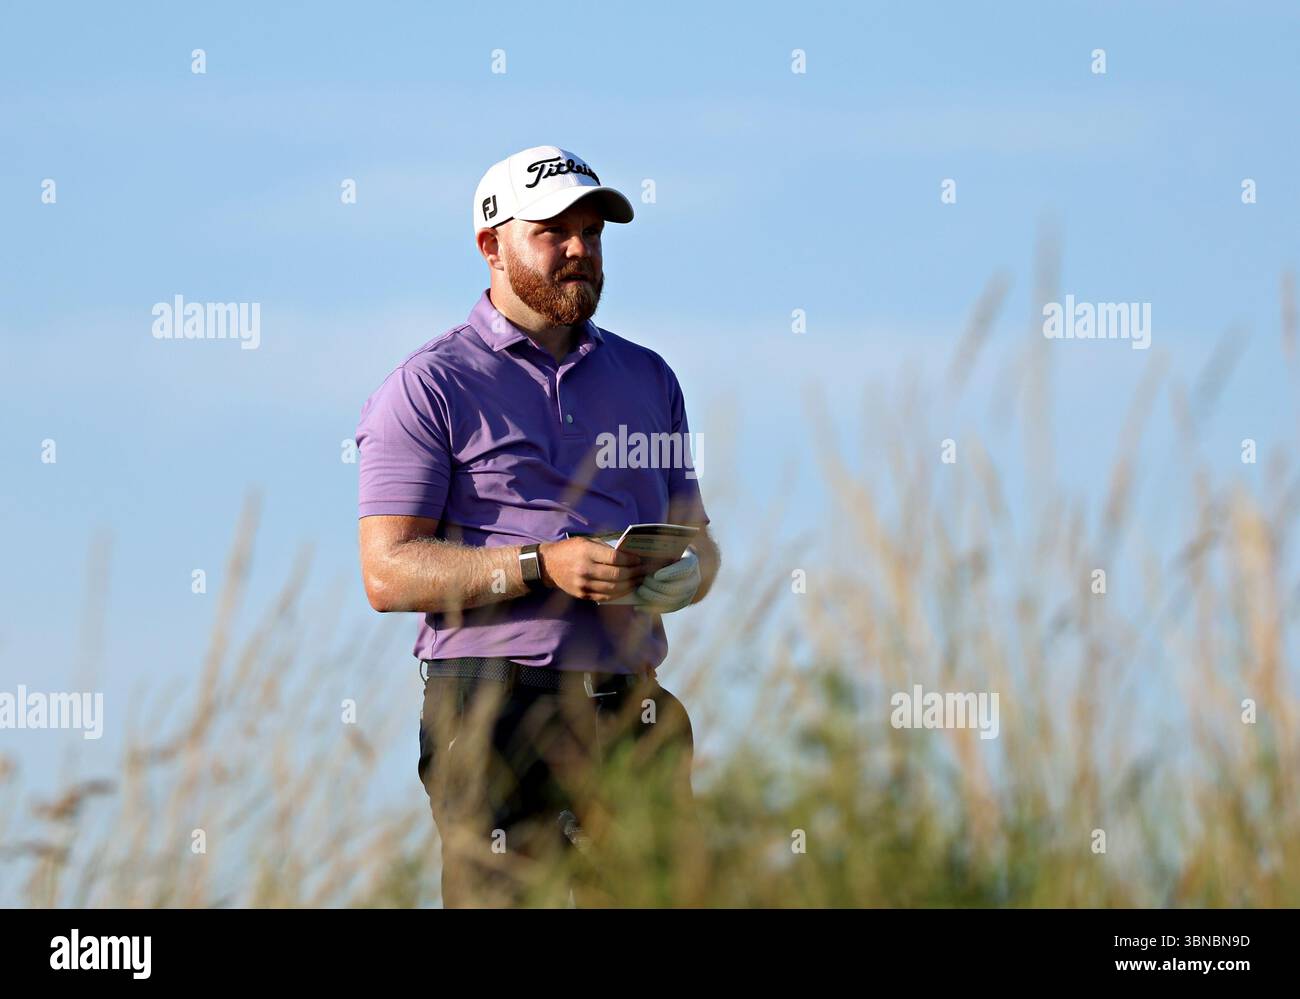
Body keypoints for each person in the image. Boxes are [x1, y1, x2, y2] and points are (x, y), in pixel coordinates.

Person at [354, 145, 720, 907]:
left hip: (631, 702)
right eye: (555, 232)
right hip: (492, 707)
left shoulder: (650, 378)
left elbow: (696, 536)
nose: (580, 249)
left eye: (592, 231)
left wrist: (685, 573)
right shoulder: (429, 386)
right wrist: (540, 565)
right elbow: (387, 573)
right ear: (491, 244)